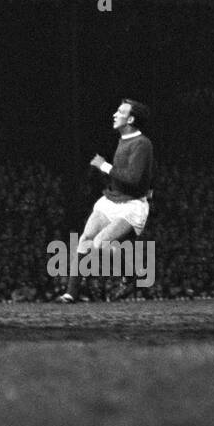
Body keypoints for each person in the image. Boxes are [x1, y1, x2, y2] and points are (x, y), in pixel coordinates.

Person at [57, 99, 154, 302]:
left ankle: (131, 272)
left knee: (101, 243)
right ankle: (70, 293)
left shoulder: (142, 144)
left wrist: (104, 166)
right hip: (112, 201)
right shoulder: (124, 139)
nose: (115, 114)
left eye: (120, 111)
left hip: (131, 205)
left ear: (131, 118)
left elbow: (133, 179)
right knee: (85, 239)